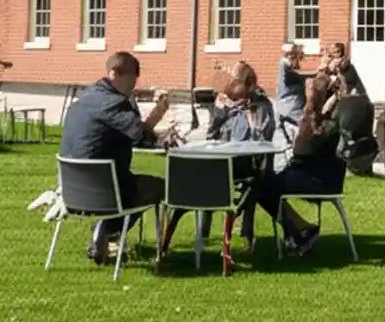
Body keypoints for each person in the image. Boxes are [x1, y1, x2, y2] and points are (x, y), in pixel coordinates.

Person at [59, 52, 170, 265]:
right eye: (133, 78)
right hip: (104, 190)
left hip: (73, 189)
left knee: (131, 185)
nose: (134, 84)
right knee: (160, 187)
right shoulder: (114, 102)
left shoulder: (85, 96)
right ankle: (108, 229)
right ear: (117, 74)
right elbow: (140, 135)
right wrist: (158, 113)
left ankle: (104, 236)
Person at [160, 61, 274, 254]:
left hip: (247, 163)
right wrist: (222, 112)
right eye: (232, 97)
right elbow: (211, 134)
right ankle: (200, 231)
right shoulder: (227, 106)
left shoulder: (260, 104)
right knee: (211, 176)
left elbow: (262, 139)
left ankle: (246, 231)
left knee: (255, 183)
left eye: (238, 98)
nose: (234, 102)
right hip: (220, 161)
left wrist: (248, 116)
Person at [256, 74, 344, 256]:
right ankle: (298, 230)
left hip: (319, 181)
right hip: (319, 176)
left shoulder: (325, 122)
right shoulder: (328, 117)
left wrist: (307, 115)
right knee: (263, 184)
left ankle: (300, 230)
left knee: (261, 185)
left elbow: (300, 152)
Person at [274, 42, 307, 168]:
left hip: (293, 110)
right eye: (290, 54)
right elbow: (295, 76)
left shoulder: (289, 66)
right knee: (291, 141)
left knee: (294, 141)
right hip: (289, 111)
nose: (292, 56)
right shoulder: (284, 65)